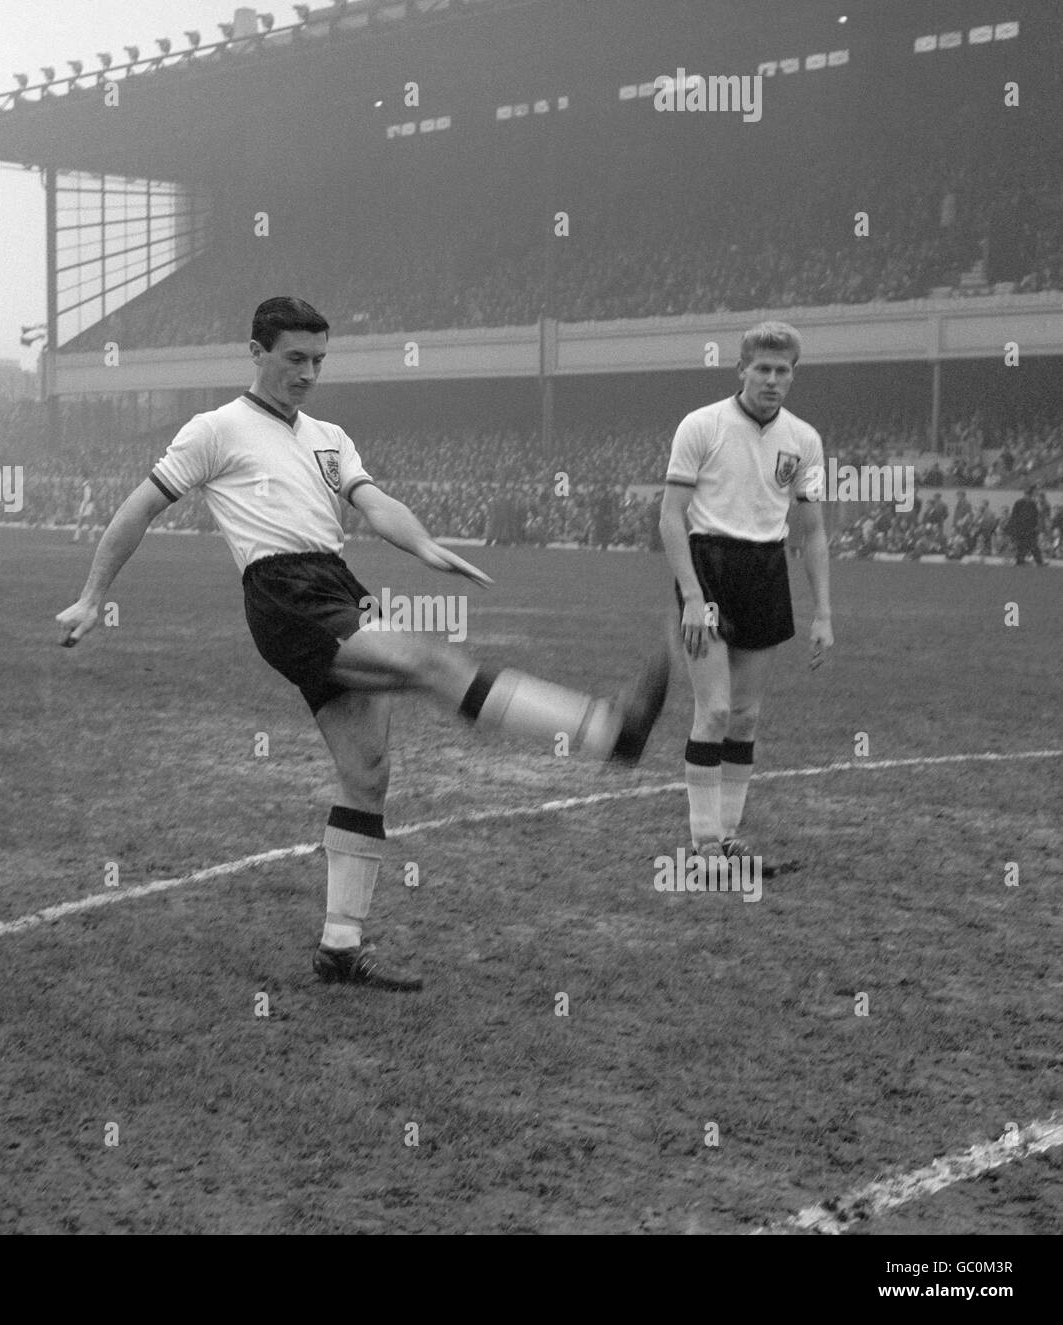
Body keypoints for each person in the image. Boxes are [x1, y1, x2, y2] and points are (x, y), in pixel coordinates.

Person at [57, 297, 670, 992]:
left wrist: (425, 542)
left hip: (339, 582)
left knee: (368, 772)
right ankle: (607, 730)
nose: (308, 372)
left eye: (318, 360)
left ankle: (339, 948)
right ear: (255, 352)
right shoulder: (214, 429)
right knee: (432, 662)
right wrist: (93, 593)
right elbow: (139, 506)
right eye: (294, 358)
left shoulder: (328, 435)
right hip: (284, 594)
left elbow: (373, 502)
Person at [658, 321, 833, 863]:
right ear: (742, 370)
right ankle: (704, 845)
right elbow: (670, 515)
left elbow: (814, 532)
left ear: (793, 376)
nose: (773, 380)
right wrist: (691, 595)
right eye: (763, 369)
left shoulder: (803, 440)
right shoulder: (702, 425)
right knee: (713, 711)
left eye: (783, 371)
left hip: (764, 570)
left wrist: (824, 613)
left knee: (746, 717)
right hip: (708, 566)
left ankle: (727, 836)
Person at [1007, 485, 1044, 566]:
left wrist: (1035, 526)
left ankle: (1036, 561)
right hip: (1022, 528)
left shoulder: (1031, 504)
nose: (1027, 496)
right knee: (1024, 546)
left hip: (1029, 529)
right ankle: (1022, 561)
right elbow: (1014, 516)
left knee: (1030, 545)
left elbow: (1035, 517)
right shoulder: (1020, 503)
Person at [71, 475, 96, 543]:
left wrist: (84, 507)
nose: (79, 479)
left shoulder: (86, 486)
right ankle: (79, 538)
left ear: (83, 478)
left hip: (87, 505)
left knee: (83, 521)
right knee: (83, 521)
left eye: (80, 477)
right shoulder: (86, 486)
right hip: (88, 505)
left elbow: (87, 499)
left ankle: (77, 538)